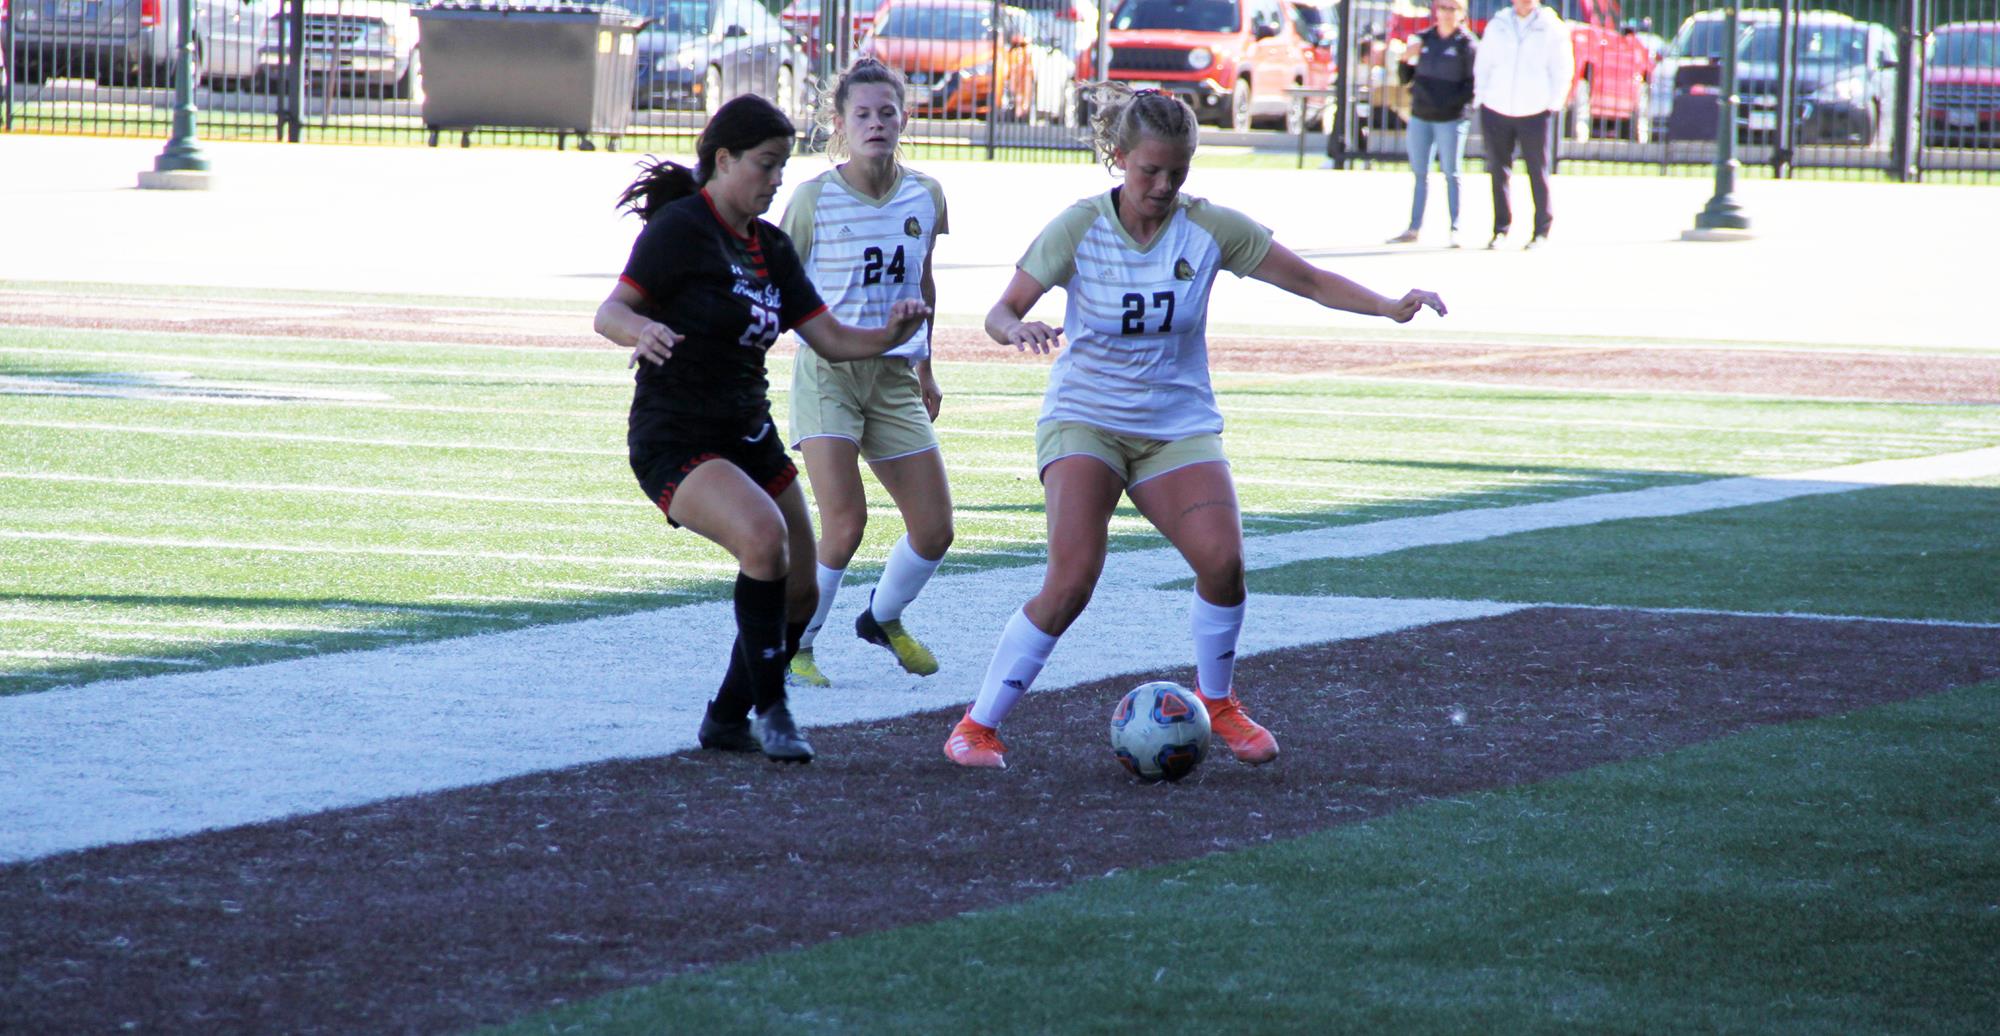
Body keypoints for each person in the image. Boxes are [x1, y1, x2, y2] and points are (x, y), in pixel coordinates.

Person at [942, 85, 1447, 770]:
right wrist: (1015, 329)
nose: (1163, 184)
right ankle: (977, 726)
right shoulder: (1079, 225)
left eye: (1177, 172)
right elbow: (1000, 310)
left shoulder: (1210, 228)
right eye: (1150, 170)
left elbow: (1307, 280)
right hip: (1085, 420)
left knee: (1224, 561)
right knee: (1072, 579)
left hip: (1177, 427)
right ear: (1118, 157)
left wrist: (1390, 306)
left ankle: (1219, 703)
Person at [594, 94, 931, 764]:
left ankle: (726, 719)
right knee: (763, 539)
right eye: (766, 165)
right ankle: (774, 708)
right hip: (676, 435)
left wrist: (890, 334)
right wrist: (645, 328)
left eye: (782, 166)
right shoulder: (682, 228)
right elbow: (610, 311)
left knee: (801, 589)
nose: (777, 180)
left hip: (749, 433)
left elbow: (830, 338)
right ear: (724, 160)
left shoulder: (770, 247)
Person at [777, 58, 954, 689]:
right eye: (862, 114)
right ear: (839, 123)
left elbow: (923, 280)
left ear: (904, 117)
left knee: (935, 529)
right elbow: (777, 280)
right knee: (846, 523)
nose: (876, 123)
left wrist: (927, 368)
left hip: (896, 376)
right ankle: (795, 644)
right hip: (827, 372)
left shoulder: (925, 194)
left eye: (887, 112)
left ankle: (882, 618)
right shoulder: (813, 198)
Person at [1472, 0, 1573, 250]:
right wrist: (1482, 97)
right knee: (1498, 169)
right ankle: (1501, 229)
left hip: (1535, 110)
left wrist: (1553, 102)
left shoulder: (1550, 26)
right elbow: (1483, 63)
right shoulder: (1499, 24)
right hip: (1497, 106)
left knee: (1537, 171)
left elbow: (1562, 67)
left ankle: (1541, 230)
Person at [1387, 0, 1477, 248]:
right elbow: (1405, 79)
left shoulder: (1466, 45)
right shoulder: (1425, 40)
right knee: (1420, 173)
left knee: (1451, 172)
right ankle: (1414, 227)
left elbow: (1472, 85)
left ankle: (1455, 227)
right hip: (1421, 115)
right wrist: (1406, 59)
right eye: (1443, 8)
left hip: (1451, 118)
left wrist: (1452, 106)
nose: (1446, 14)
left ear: (1461, 14)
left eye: (1452, 9)